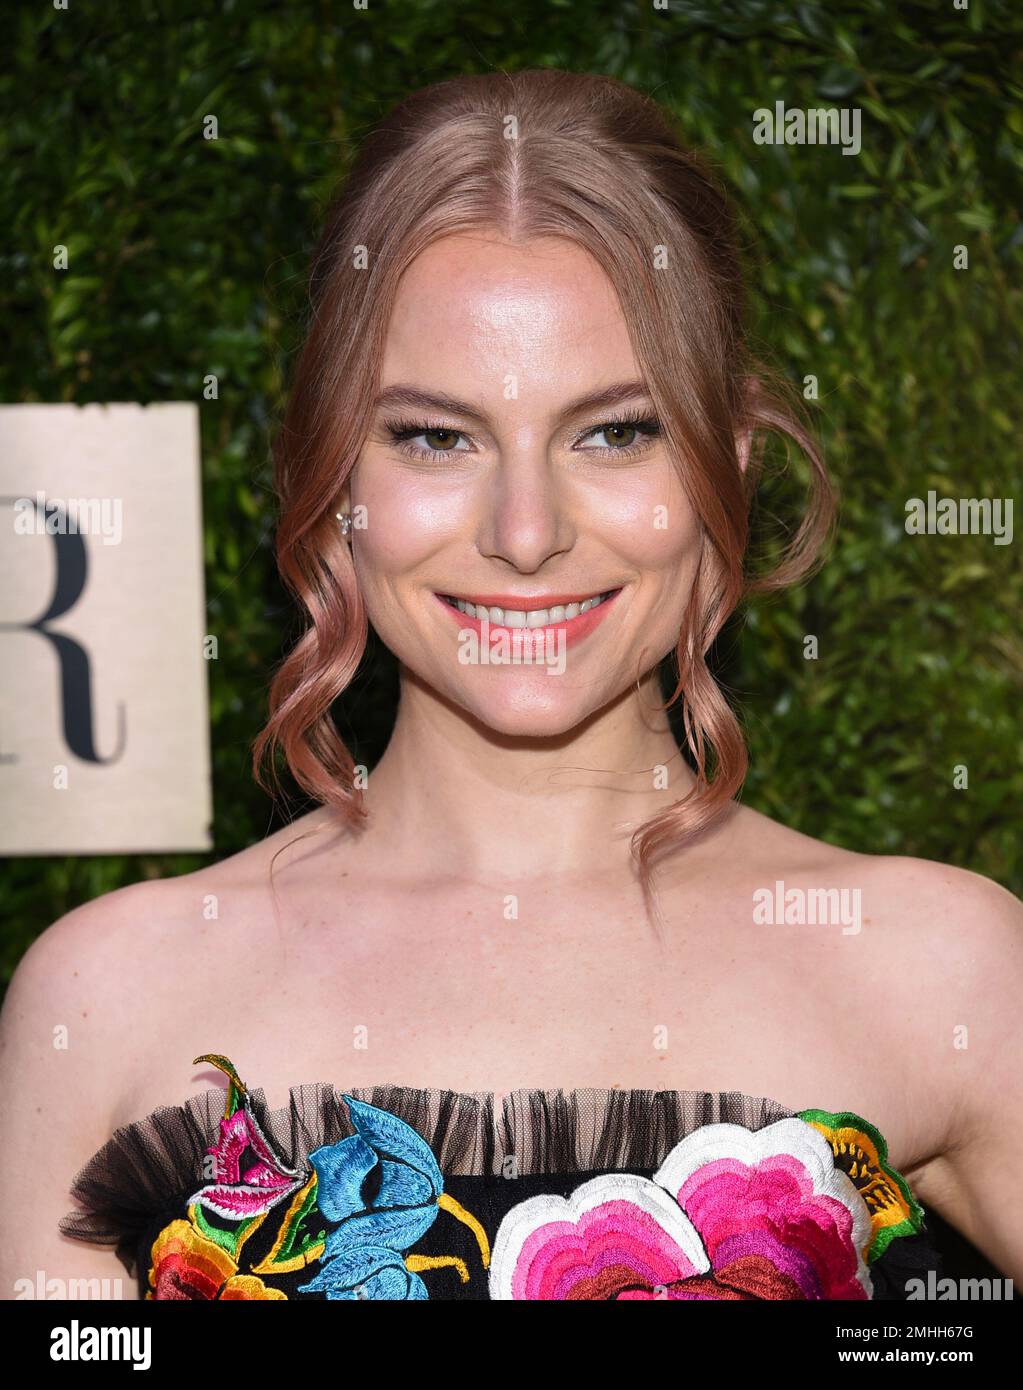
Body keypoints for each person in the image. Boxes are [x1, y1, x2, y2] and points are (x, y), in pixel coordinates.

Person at [2, 68, 1020, 1302]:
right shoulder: (108, 995)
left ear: (728, 469)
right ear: (330, 477)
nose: (525, 532)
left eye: (614, 431)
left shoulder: (942, 967)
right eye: (435, 436)